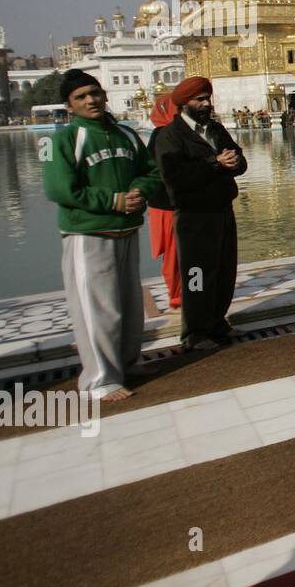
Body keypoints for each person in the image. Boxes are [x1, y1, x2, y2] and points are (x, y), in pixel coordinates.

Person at [42, 69, 164, 400]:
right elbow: (58, 189)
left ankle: (127, 363)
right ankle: (99, 379)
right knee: (97, 308)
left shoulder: (124, 134)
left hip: (125, 230)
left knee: (128, 303)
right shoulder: (64, 140)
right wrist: (113, 200)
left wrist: (139, 190)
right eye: (80, 97)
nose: (90, 100)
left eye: (94, 93)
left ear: (104, 95)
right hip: (89, 235)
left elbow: (150, 171)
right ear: (69, 106)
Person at [153, 76, 247, 352]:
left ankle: (217, 323)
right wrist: (214, 163)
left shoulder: (215, 129)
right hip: (194, 215)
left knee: (223, 268)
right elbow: (175, 176)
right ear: (184, 103)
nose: (206, 103)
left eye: (207, 98)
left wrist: (234, 162)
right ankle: (194, 331)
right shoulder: (170, 135)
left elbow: (238, 160)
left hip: (221, 210)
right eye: (199, 99)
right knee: (196, 273)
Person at [145, 93, 182, 314]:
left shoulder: (170, 133)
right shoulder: (164, 135)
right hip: (168, 206)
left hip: (168, 204)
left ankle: (188, 293)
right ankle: (177, 298)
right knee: (175, 253)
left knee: (181, 254)